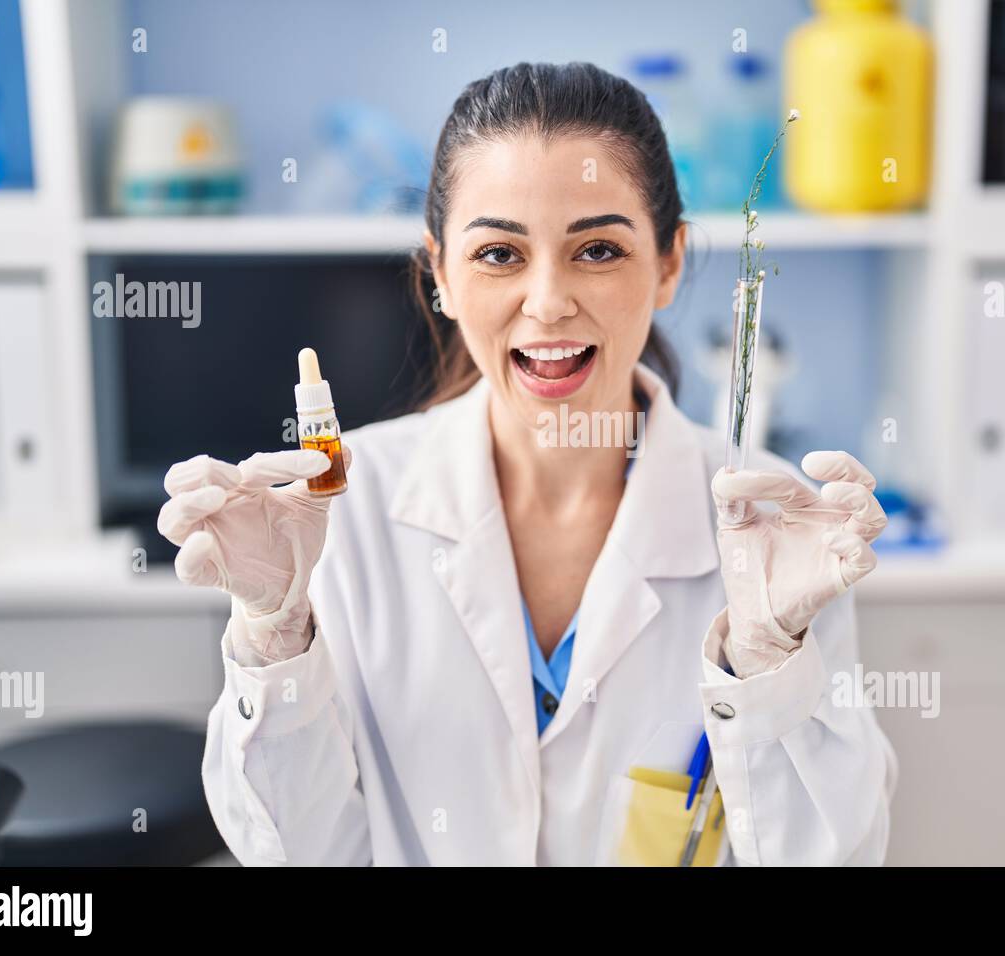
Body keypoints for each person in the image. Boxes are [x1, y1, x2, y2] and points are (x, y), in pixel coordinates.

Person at [157, 61, 896, 866]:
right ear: (438, 273)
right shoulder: (343, 514)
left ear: (671, 263)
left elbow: (831, 858)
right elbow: (301, 854)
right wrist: (275, 634)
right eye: (501, 254)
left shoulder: (769, 531)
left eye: (599, 249)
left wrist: (770, 664)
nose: (548, 301)